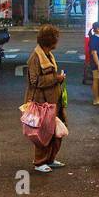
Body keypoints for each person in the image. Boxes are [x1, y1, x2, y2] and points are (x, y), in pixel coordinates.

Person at [24, 24, 67, 172]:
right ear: (50, 40)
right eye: (56, 38)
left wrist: (58, 79)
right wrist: (56, 78)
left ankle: (50, 158)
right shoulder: (35, 58)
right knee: (42, 132)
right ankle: (40, 162)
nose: (58, 41)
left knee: (56, 131)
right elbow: (35, 81)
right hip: (41, 102)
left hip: (54, 101)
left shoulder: (47, 54)